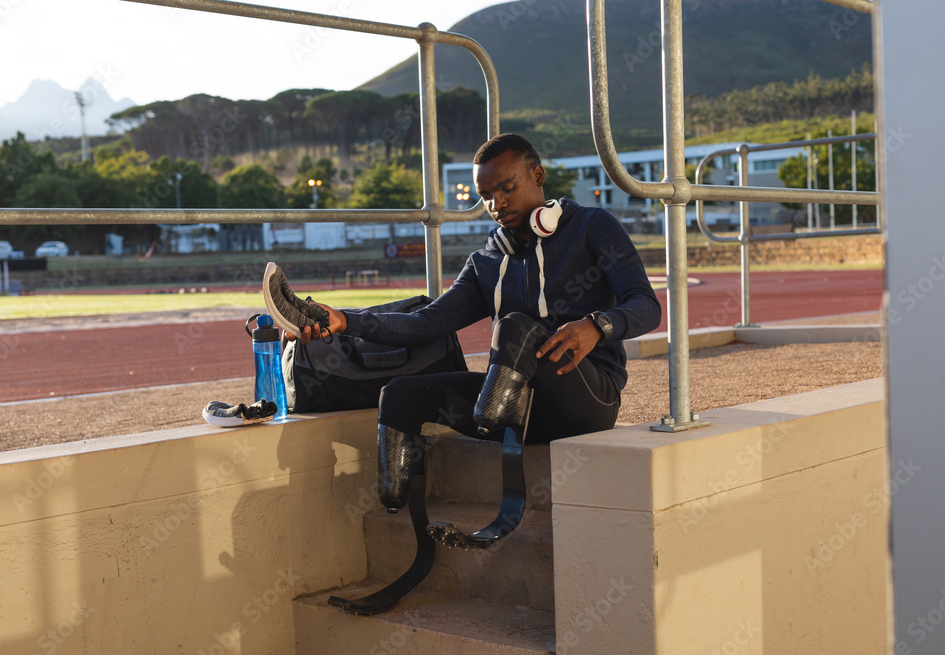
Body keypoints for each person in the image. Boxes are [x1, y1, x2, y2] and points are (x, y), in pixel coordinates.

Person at [266, 133, 661, 513]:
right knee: (401, 392)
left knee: (514, 327)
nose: (496, 203)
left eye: (507, 188)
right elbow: (428, 323)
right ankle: (398, 506)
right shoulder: (487, 260)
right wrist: (345, 321)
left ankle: (492, 420)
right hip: (521, 410)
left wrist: (596, 326)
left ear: (538, 177)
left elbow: (647, 305)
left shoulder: (593, 226)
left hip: (585, 401)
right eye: (486, 196)